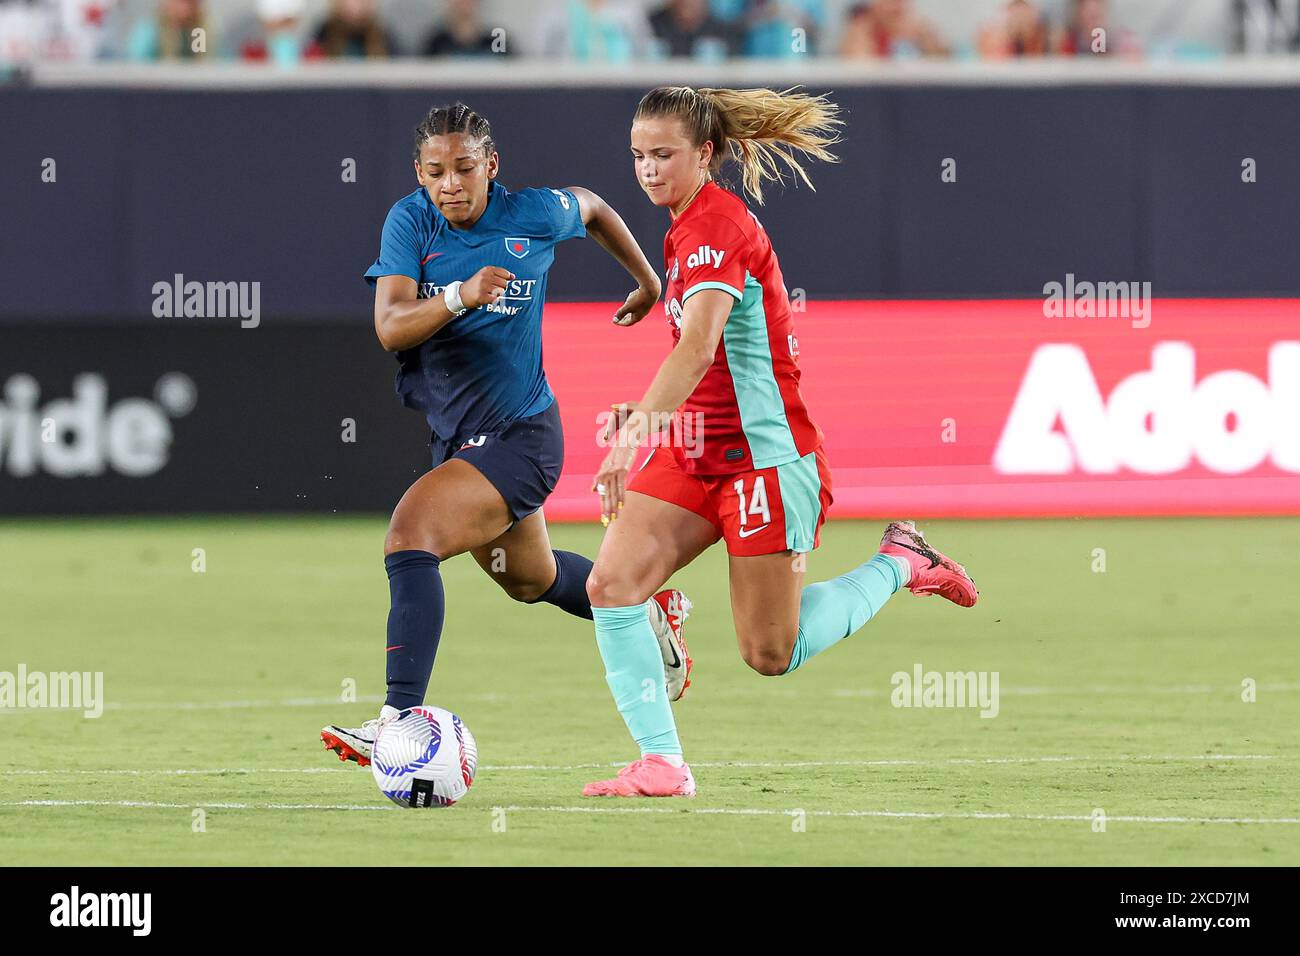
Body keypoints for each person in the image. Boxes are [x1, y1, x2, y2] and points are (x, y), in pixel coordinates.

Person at [581, 86, 978, 798]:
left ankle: (899, 560)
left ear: (704, 155)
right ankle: (663, 764)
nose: (647, 169)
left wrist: (626, 439)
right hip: (697, 449)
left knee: (771, 652)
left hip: (764, 461)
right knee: (611, 586)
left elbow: (699, 347)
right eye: (638, 155)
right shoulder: (682, 228)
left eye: (663, 155)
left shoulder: (715, 228)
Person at [321, 103, 692, 766]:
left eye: (465, 168)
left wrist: (647, 279)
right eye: (435, 171)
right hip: (461, 439)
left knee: (411, 536)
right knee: (531, 579)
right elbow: (390, 326)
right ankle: (647, 605)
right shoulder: (412, 220)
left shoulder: (531, 214)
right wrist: (460, 296)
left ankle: (398, 719)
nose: (451, 184)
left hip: (522, 436)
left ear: (492, 166)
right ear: (419, 173)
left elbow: (594, 207)